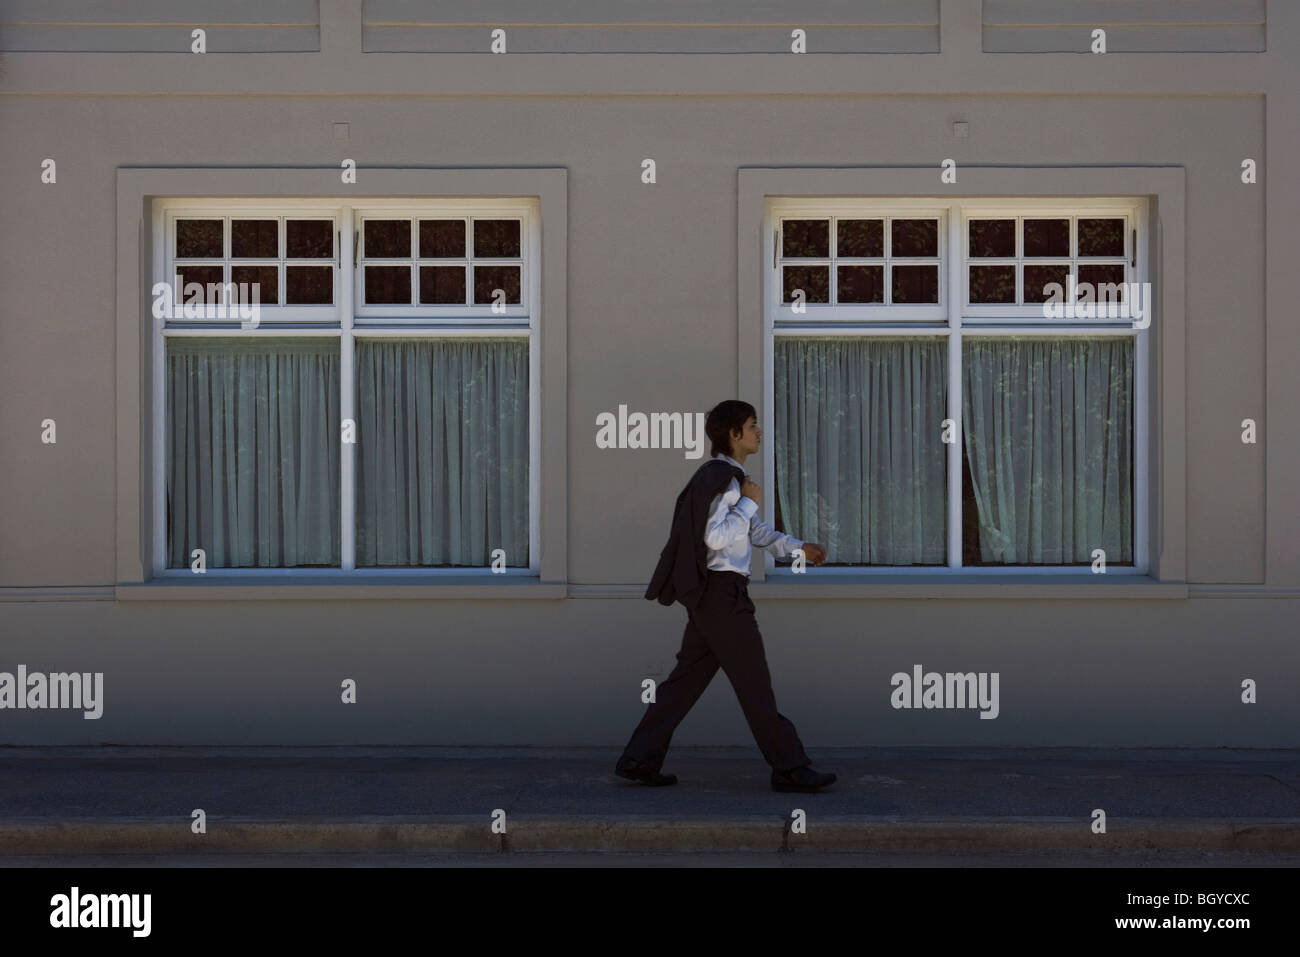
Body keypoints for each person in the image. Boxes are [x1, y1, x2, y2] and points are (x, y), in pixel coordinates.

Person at [615, 400, 838, 793]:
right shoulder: (723, 480)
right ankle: (789, 767)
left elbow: (754, 534)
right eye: (752, 426)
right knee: (755, 685)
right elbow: (713, 538)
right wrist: (748, 500)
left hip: (714, 597)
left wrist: (799, 547)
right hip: (723, 596)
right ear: (734, 434)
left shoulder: (732, 481)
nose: (758, 432)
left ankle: (639, 758)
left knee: (684, 682)